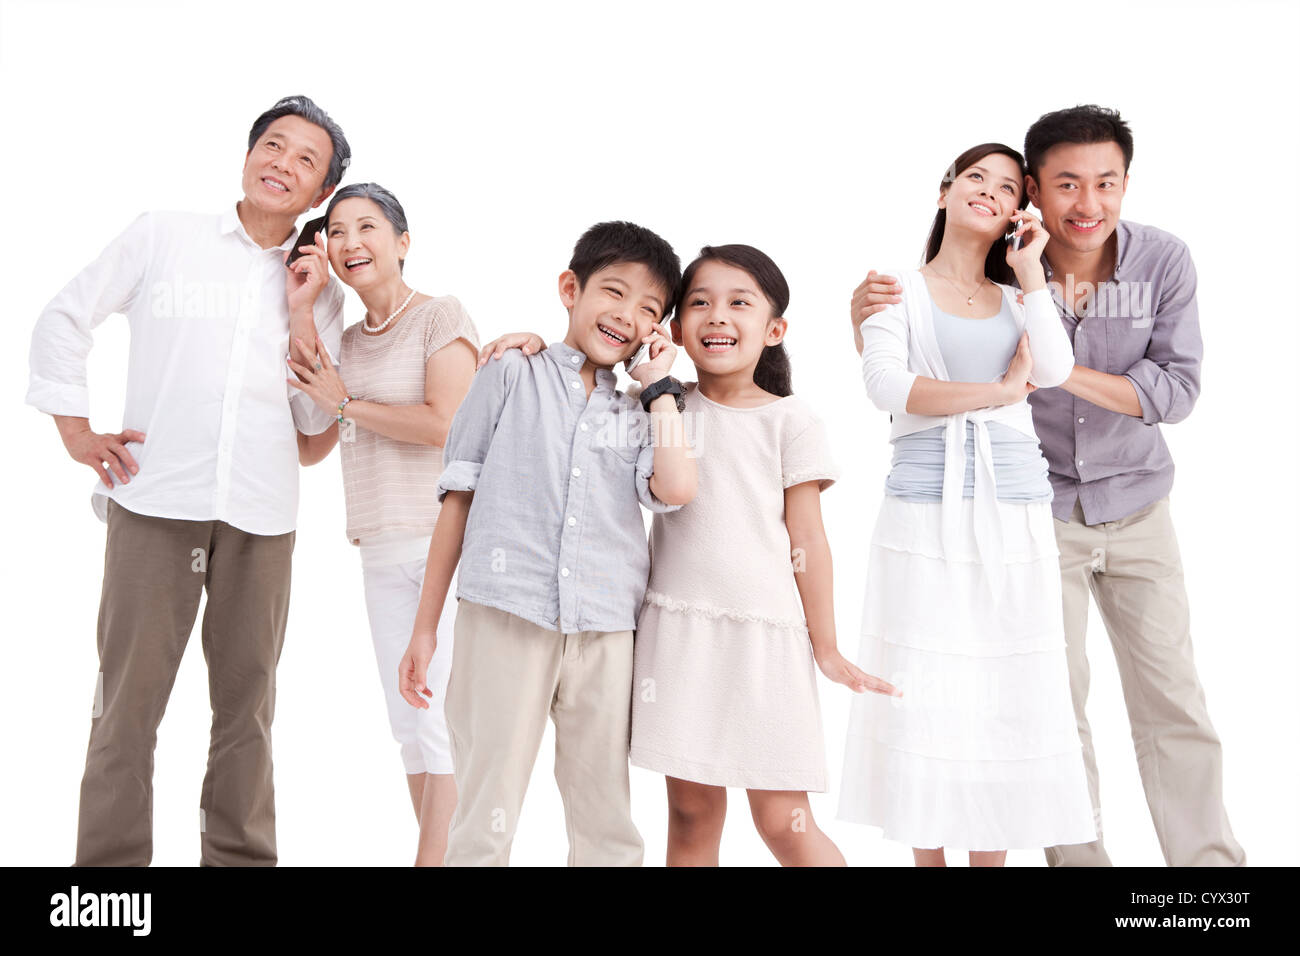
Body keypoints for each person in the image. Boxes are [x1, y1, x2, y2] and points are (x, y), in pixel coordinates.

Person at [849, 106, 1244, 868]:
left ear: (1128, 185)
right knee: (1051, 706)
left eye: (1107, 183)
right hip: (1035, 511)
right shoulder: (998, 266)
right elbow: (920, 355)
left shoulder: (1162, 261)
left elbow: (1178, 392)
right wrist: (859, 319)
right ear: (1034, 189)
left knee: (1174, 700)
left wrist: (1038, 374)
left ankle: (1210, 878)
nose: (1087, 204)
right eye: (1066, 184)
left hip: (1137, 502)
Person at [483, 244, 899, 866]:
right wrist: (537, 344)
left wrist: (828, 647)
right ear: (671, 329)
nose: (716, 316)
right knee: (691, 812)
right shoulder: (655, 409)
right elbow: (585, 389)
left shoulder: (792, 419)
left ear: (774, 329)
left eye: (739, 303)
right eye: (698, 303)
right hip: (679, 637)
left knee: (783, 822)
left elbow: (809, 542)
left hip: (766, 642)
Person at [25, 94, 350, 866]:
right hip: (155, 505)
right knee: (125, 708)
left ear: (322, 194)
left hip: (261, 521)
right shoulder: (163, 235)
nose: (284, 164)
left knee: (247, 712)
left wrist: (304, 313)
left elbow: (314, 440)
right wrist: (75, 428)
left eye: (307, 160)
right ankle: (109, 880)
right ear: (247, 154)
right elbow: (64, 318)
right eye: (274, 145)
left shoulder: (324, 290)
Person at [397, 221, 698, 866]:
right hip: (505, 613)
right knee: (485, 813)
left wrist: (661, 389)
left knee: (606, 820)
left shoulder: (642, 410)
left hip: (606, 629)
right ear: (570, 288)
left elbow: (673, 490)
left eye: (650, 309)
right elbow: (458, 497)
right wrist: (426, 628)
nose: (627, 315)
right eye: (613, 292)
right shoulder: (510, 372)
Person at [838, 143, 1096, 866]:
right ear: (945, 191)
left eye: (1007, 186)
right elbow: (887, 386)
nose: (988, 191)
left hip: (1014, 516)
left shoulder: (1022, 296)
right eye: (975, 177)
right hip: (923, 515)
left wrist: (1029, 270)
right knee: (927, 697)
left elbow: (1054, 368)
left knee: (1003, 697)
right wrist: (998, 395)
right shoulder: (896, 288)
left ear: (1020, 211)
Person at [285, 183, 479, 866]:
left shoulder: (440, 316)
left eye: (368, 227)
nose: (350, 242)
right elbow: (313, 443)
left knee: (443, 725)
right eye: (336, 232)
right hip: (378, 551)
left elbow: (446, 427)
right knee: (410, 728)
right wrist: (303, 312)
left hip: (442, 548)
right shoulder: (346, 342)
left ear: (402, 242)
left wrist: (348, 402)